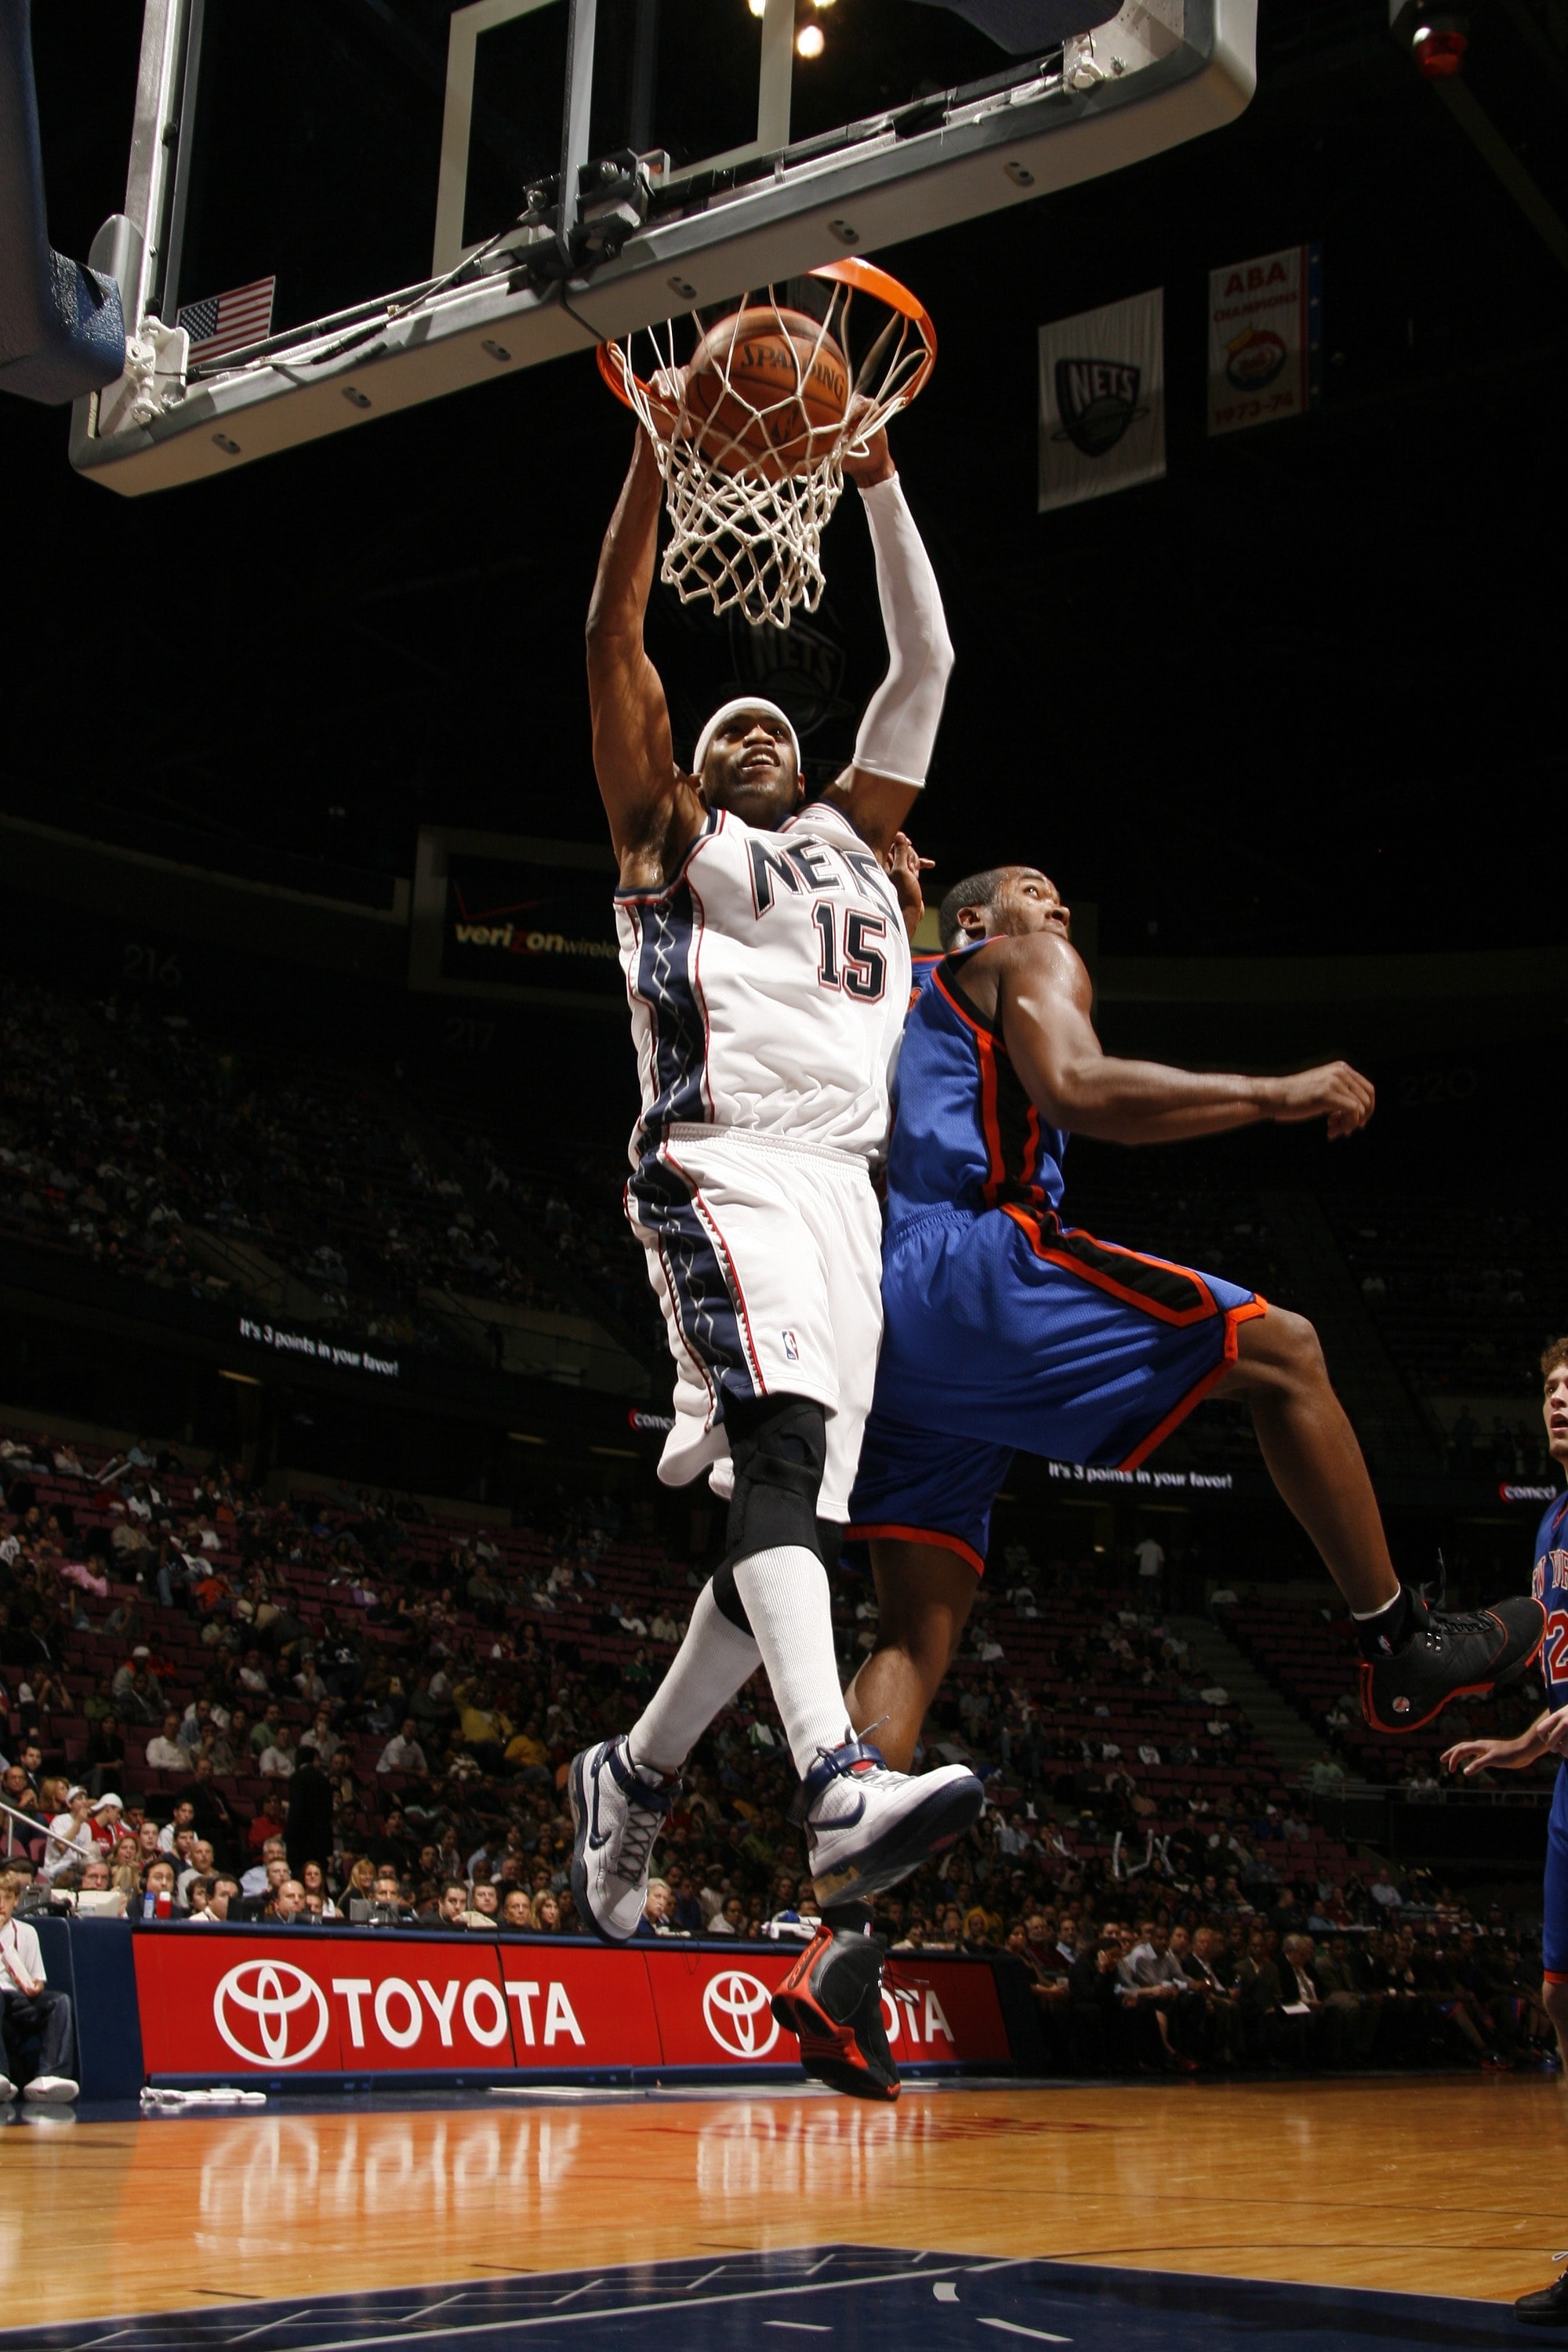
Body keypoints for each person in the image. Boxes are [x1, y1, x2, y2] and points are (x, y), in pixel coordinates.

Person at [568, 394, 981, 2089]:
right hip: (721, 1160)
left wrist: (875, 475)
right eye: (718, 724)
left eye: (763, 724)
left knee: (787, 1514)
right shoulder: (675, 839)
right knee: (784, 1454)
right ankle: (830, 1785)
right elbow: (613, 636)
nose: (742, 734)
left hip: (846, 1197)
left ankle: (638, 1775)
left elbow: (926, 665)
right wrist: (660, 451)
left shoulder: (862, 851)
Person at [840, 861, 1543, 1779]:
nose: (1054, 902)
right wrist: (1271, 1094)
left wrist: (889, 899)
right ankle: (1398, 1637)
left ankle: (830, 1870)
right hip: (973, 1263)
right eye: (1030, 885)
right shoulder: (1024, 955)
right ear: (975, 918)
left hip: (877, 1318)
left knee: (911, 1634)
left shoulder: (886, 998)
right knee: (1287, 1351)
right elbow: (1077, 1090)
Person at [1444, 1336, 1568, 2325]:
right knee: (1559, 2004)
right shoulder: (1551, 1522)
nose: (1560, 1400)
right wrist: (1527, 1743)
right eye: (1551, 1388)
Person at [0, 1871, 78, 2101]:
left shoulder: (26, 1933)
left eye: (6, 1898)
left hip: (16, 1998)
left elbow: (37, 1979)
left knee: (59, 2001)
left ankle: (52, 2075)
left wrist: (35, 1988)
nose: (0, 1905)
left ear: (16, 1900)